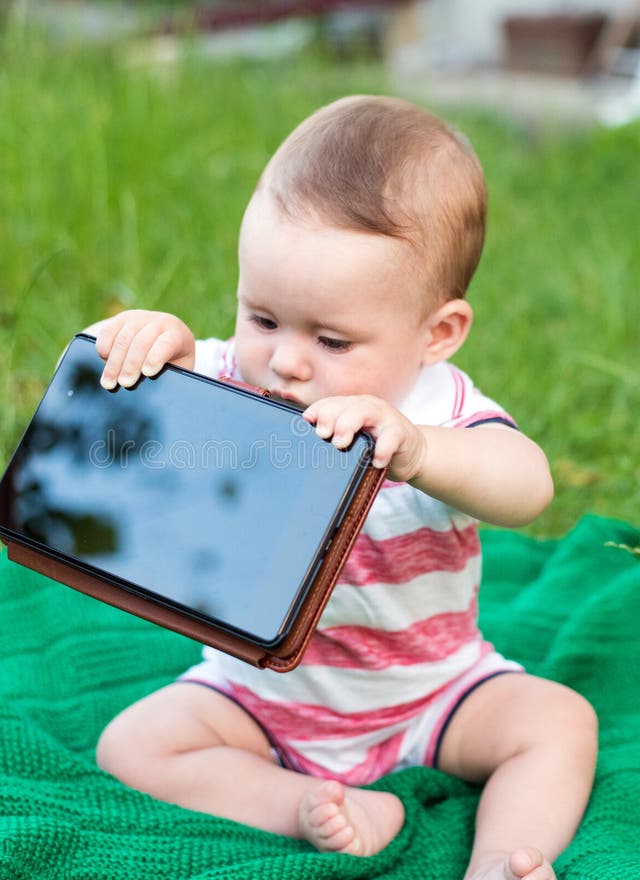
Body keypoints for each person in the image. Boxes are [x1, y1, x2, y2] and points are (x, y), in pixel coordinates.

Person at [88, 96, 597, 880]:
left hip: (435, 694)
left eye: (331, 340)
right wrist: (155, 348)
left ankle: (502, 862)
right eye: (262, 317)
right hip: (256, 700)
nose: (287, 362)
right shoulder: (235, 380)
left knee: (560, 722)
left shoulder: (436, 412)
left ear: (437, 333)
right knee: (133, 743)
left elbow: (528, 487)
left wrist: (423, 452)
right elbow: (136, 430)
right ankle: (296, 802)